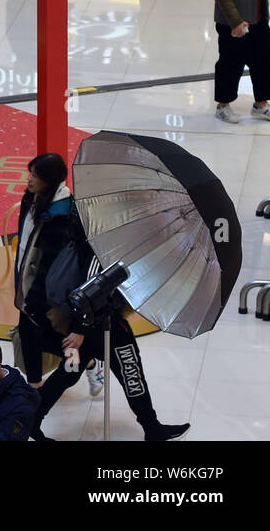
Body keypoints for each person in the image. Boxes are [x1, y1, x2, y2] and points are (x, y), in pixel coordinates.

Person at [14, 153, 189, 442]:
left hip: (82, 322)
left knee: (69, 371)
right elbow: (89, 284)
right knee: (128, 369)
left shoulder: (92, 220)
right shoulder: (94, 231)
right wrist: (82, 330)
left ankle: (31, 421)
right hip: (99, 323)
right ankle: (151, 427)